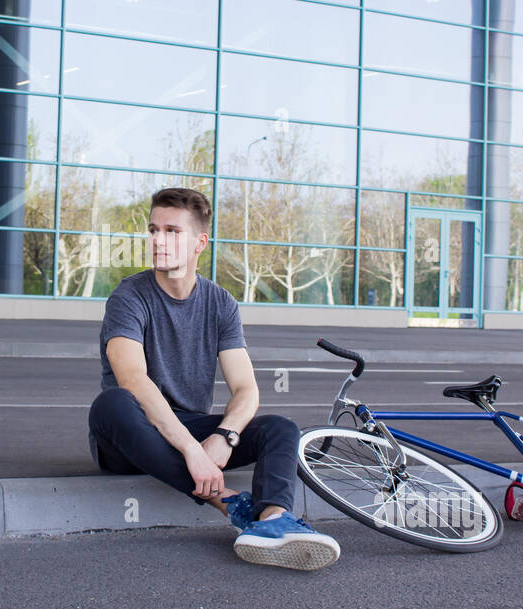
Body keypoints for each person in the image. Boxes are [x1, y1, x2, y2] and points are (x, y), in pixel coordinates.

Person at [87, 186, 340, 571]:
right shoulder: (129, 297)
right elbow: (134, 380)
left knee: (281, 429)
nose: (158, 240)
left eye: (172, 231)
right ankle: (232, 505)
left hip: (191, 430)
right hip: (132, 434)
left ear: (199, 242)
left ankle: (274, 520)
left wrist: (224, 438)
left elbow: (246, 389)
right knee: (113, 404)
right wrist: (193, 451)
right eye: (154, 230)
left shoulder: (220, 303)